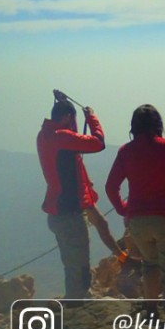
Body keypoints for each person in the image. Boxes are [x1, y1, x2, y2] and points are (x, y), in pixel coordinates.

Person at [104, 105, 165, 297]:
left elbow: (111, 186)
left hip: (138, 220)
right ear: (158, 125)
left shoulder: (126, 151)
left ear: (134, 127)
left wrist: (124, 209)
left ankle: (151, 308)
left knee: (150, 265)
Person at [37, 92, 105, 297]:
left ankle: (73, 301)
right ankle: (79, 303)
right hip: (70, 214)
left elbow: (72, 137)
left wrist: (64, 103)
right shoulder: (62, 138)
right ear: (67, 117)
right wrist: (91, 117)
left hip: (56, 212)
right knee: (80, 265)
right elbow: (98, 143)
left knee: (70, 264)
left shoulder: (45, 135)